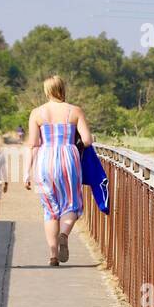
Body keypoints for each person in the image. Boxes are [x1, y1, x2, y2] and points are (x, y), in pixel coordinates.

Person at [24, 75, 92, 266]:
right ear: (63, 88)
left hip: (45, 159)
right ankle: (64, 234)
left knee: (50, 209)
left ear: (46, 91)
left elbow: (34, 144)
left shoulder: (37, 113)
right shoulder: (75, 111)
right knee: (71, 203)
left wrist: (27, 172)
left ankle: (53, 256)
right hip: (68, 158)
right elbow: (87, 140)